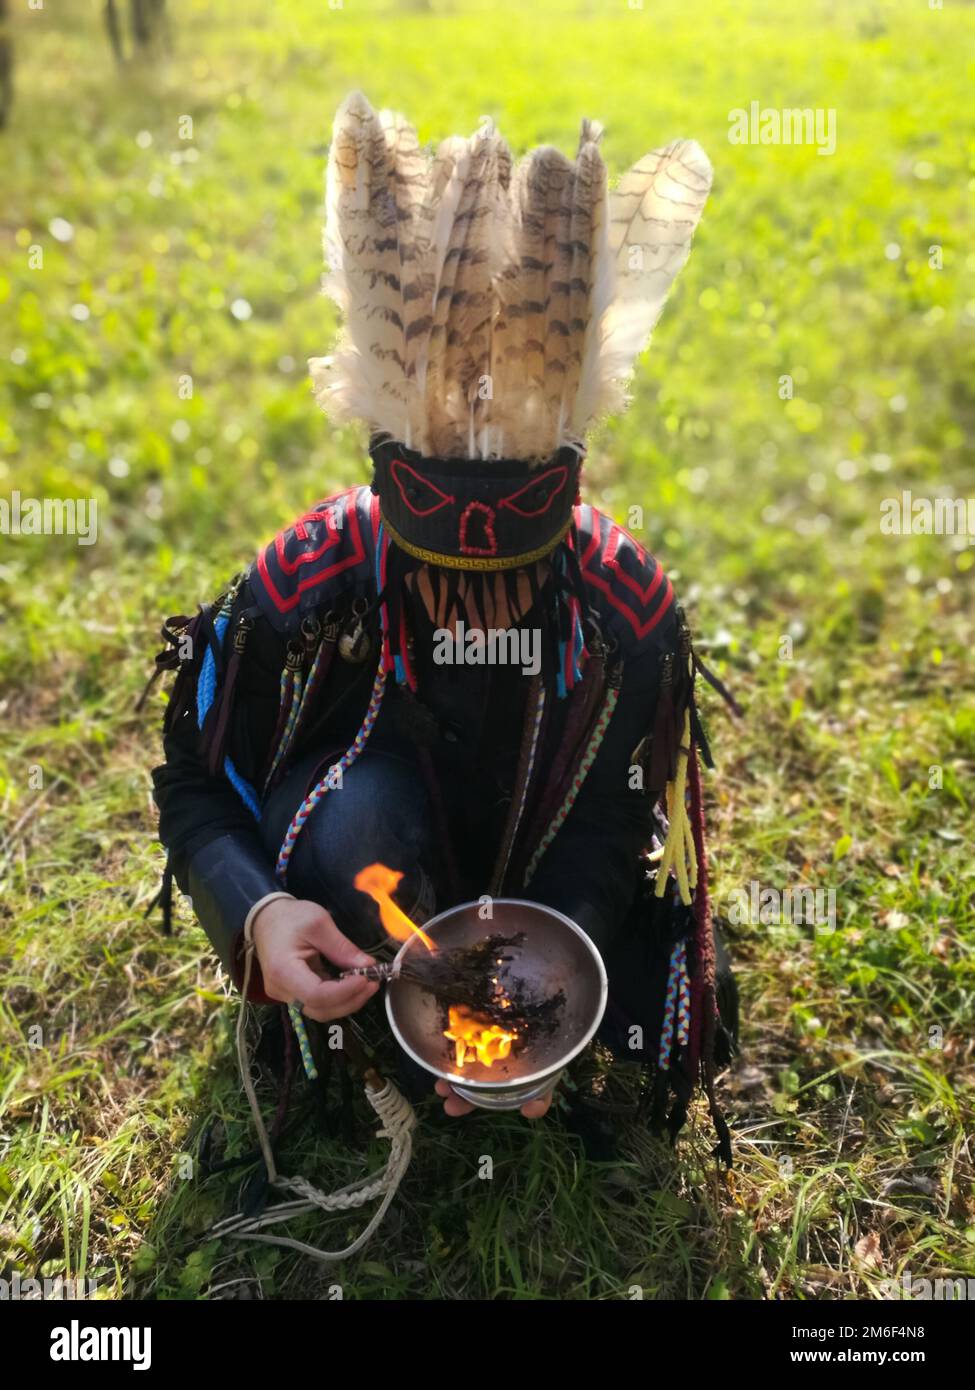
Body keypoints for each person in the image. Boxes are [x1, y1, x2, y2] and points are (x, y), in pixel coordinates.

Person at [147, 93, 736, 1150]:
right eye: (439, 589)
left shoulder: (627, 613)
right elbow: (196, 779)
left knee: (689, 1011)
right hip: (361, 876)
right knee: (356, 826)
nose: (476, 623)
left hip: (532, 905)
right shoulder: (301, 582)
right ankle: (365, 1007)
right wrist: (260, 913)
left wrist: (562, 974)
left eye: (512, 592)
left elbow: (616, 826)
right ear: (387, 512)